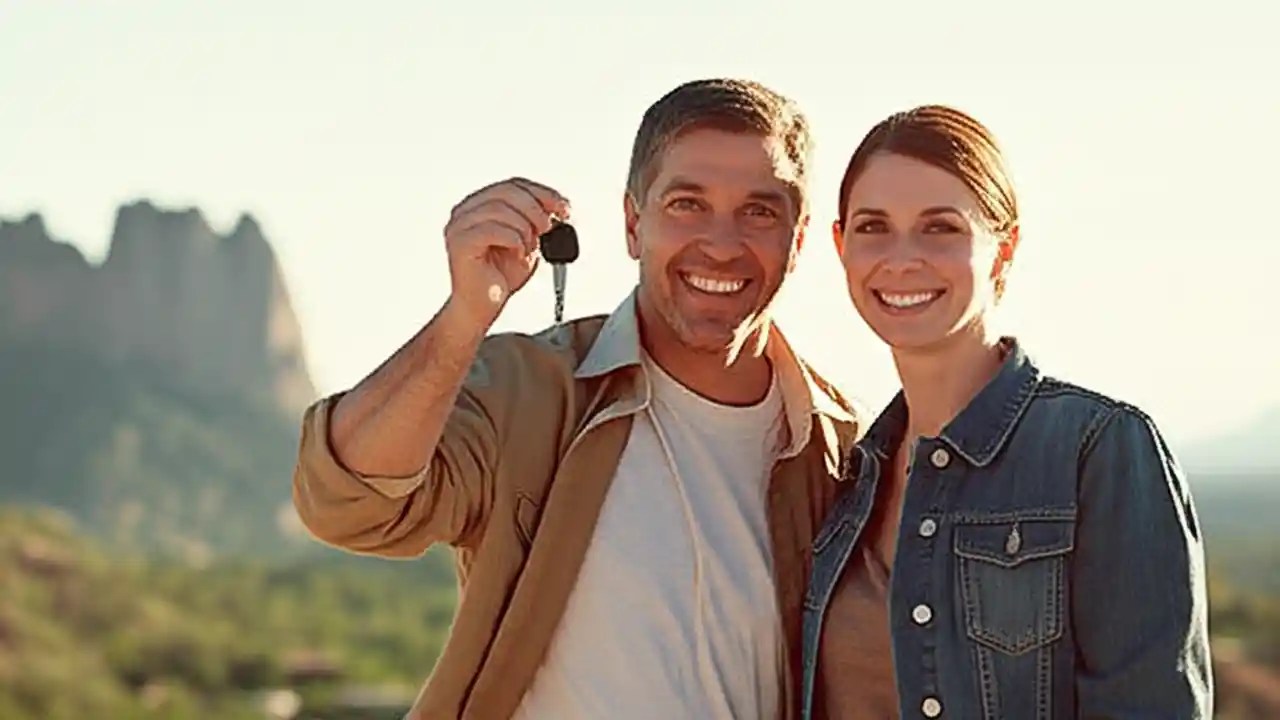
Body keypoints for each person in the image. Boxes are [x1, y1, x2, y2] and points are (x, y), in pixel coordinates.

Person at [292, 78, 867, 720]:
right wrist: (463, 317)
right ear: (632, 223)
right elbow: (348, 503)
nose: (723, 243)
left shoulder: (839, 447)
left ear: (800, 236)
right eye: (687, 204)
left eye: (759, 211)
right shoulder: (528, 390)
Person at [800, 105, 1213, 719]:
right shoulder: (845, 477)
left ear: (1004, 248)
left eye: (940, 228)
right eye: (872, 227)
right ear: (840, 246)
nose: (901, 256)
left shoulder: (1098, 449)